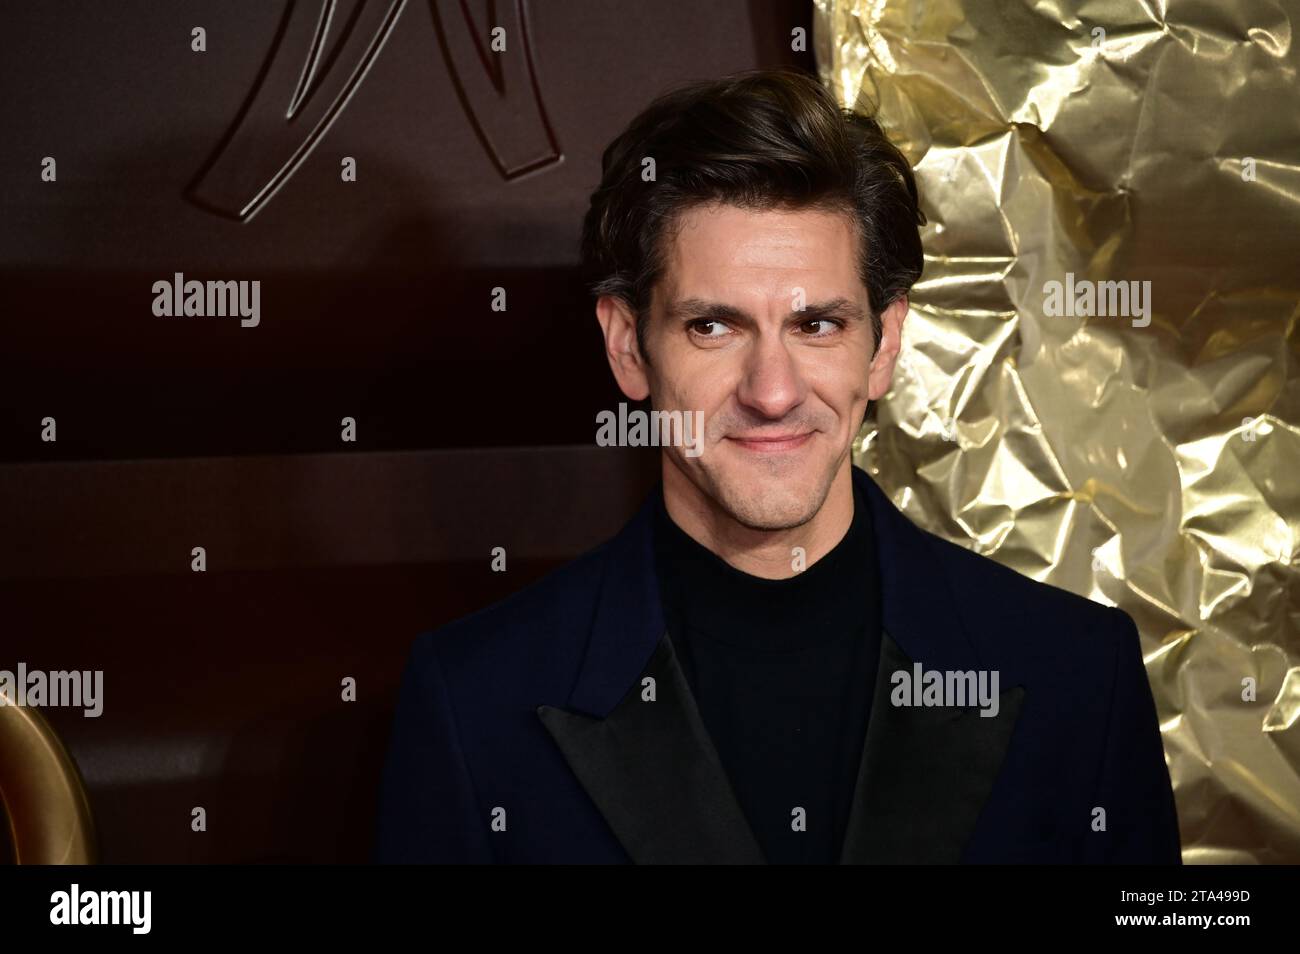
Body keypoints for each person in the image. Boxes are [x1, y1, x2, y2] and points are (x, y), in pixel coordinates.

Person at [375, 69, 1181, 864]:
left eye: (818, 325)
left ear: (885, 344)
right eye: (714, 326)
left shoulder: (1079, 675)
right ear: (627, 346)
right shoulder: (473, 700)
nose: (772, 392)